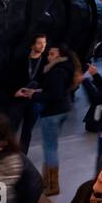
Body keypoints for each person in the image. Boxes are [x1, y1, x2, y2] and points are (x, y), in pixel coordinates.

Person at [31, 44, 81, 195]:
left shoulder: (57, 71)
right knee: (50, 147)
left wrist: (33, 95)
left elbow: (54, 94)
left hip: (53, 112)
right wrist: (37, 91)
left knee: (50, 148)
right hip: (61, 110)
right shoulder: (64, 67)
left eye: (52, 53)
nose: (48, 56)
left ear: (59, 55)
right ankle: (47, 182)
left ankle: (52, 185)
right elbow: (55, 90)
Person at [7, 34, 47, 153]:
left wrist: (36, 91)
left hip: (34, 100)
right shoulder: (20, 60)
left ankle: (23, 155)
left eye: (44, 43)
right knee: (11, 128)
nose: (43, 46)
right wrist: (15, 92)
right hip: (19, 99)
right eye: (39, 43)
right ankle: (8, 153)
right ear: (32, 45)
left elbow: (48, 83)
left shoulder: (46, 62)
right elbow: (8, 78)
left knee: (27, 130)